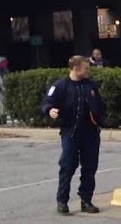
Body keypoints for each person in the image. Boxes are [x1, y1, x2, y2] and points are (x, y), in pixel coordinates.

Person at [41, 55, 106, 214]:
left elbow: (100, 104)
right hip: (70, 132)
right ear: (76, 69)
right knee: (68, 165)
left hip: (90, 133)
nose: (88, 71)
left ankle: (86, 200)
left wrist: (101, 119)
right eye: (85, 68)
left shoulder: (91, 85)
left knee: (90, 167)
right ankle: (62, 201)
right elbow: (47, 102)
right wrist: (50, 110)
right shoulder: (60, 86)